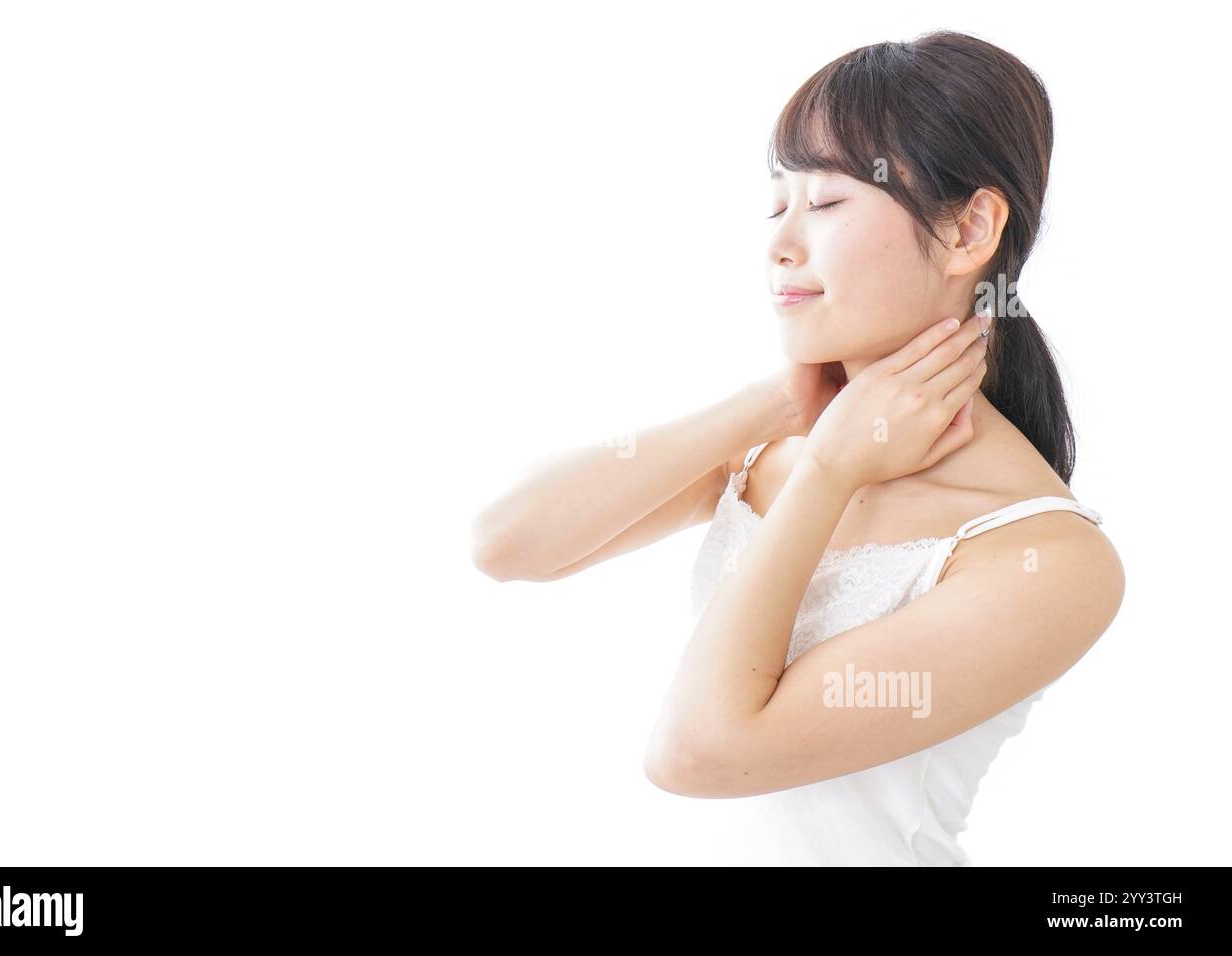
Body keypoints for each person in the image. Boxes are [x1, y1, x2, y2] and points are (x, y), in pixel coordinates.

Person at [468, 30, 1124, 865]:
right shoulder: (769, 444)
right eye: (776, 202)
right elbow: (504, 544)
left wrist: (828, 471)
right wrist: (772, 404)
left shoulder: (1047, 555)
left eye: (826, 203)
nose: (780, 241)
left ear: (969, 231)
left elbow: (697, 754)